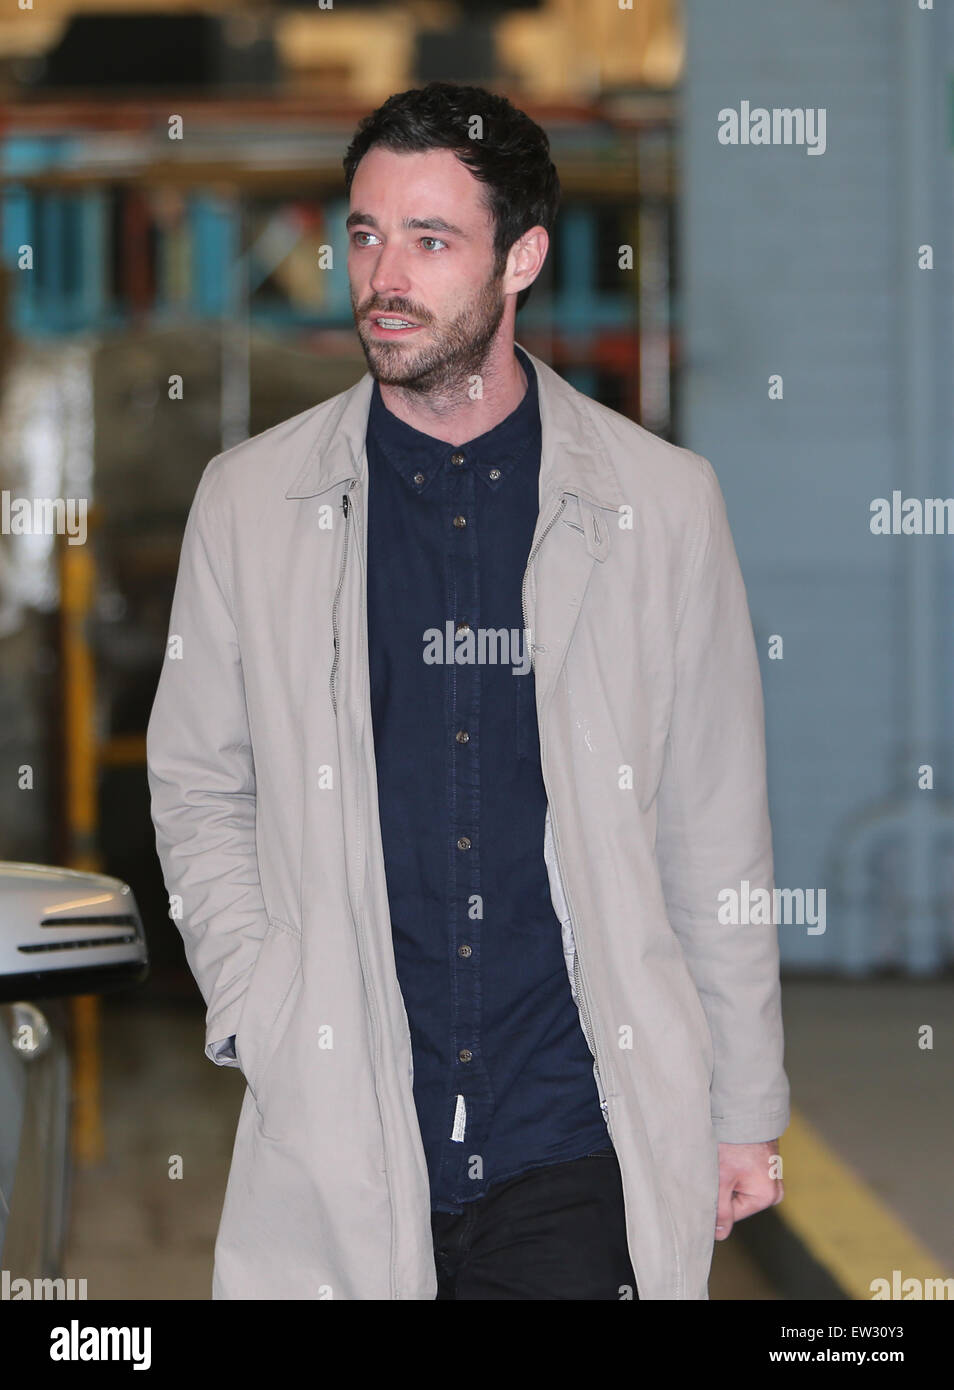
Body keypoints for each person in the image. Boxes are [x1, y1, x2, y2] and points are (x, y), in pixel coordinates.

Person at [146, 81, 789, 1302]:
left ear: (523, 258)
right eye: (366, 232)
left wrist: (744, 1102)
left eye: (431, 240)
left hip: (571, 1134)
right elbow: (195, 779)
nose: (384, 273)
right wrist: (259, 999)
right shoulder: (248, 504)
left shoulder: (661, 507)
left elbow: (715, 826)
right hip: (343, 1121)